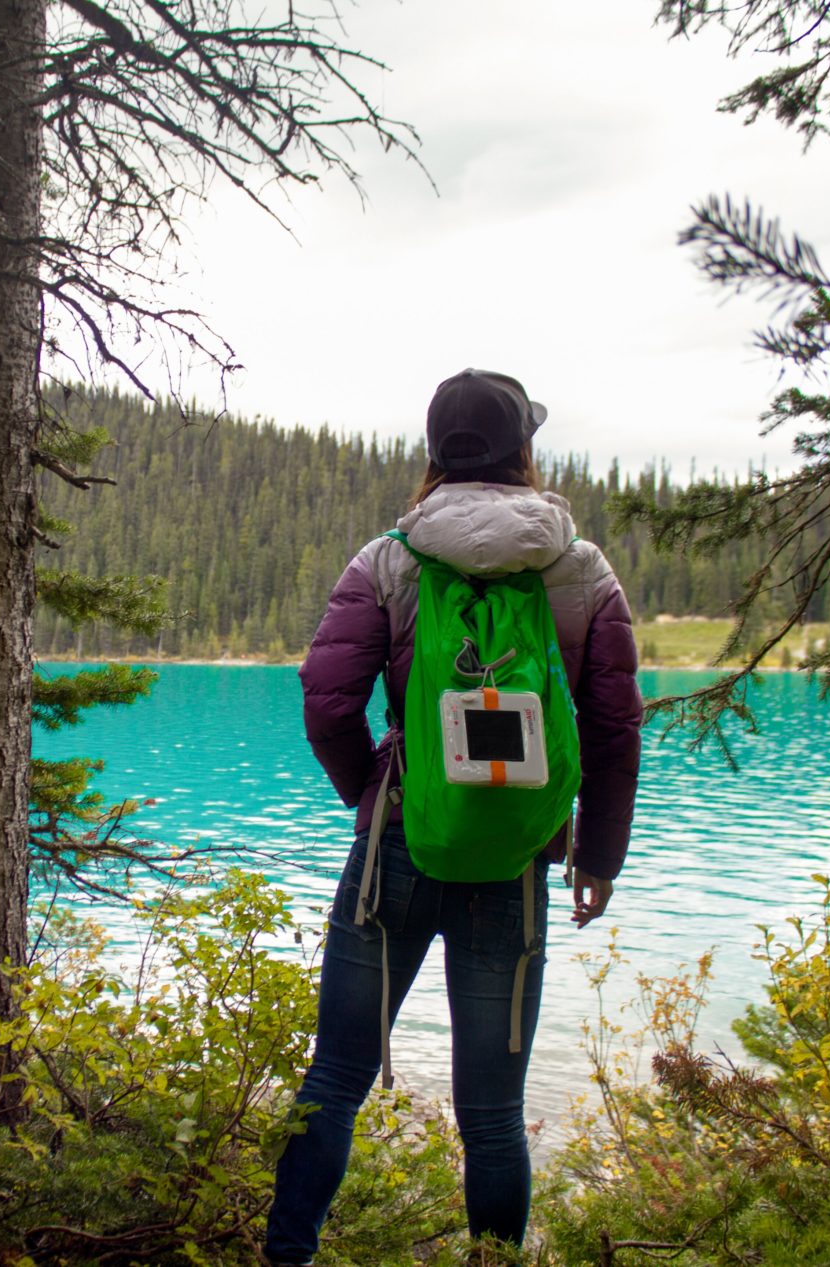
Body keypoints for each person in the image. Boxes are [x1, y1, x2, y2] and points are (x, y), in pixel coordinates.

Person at [264, 368, 643, 1264]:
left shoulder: (389, 560)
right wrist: (598, 854)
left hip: (394, 849)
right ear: (523, 452)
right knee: (495, 1115)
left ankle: (285, 1257)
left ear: (435, 453)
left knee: (337, 1076)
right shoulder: (581, 570)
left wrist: (372, 793)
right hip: (514, 863)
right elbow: (613, 726)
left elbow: (327, 701)